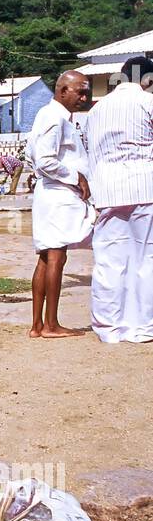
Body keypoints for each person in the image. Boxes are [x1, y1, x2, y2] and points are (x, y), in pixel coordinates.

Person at [85, 56, 153, 343]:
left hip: (107, 191)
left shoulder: (97, 110)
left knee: (109, 261)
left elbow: (91, 150)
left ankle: (109, 329)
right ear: (147, 80)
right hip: (145, 187)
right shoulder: (148, 103)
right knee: (146, 259)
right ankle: (143, 328)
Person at [25, 71, 95, 339]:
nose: (84, 97)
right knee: (55, 256)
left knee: (46, 258)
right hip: (57, 194)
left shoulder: (51, 116)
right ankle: (51, 325)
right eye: (80, 92)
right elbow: (45, 160)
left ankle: (37, 325)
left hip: (52, 194)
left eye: (86, 92)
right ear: (62, 91)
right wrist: (76, 176)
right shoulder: (54, 118)